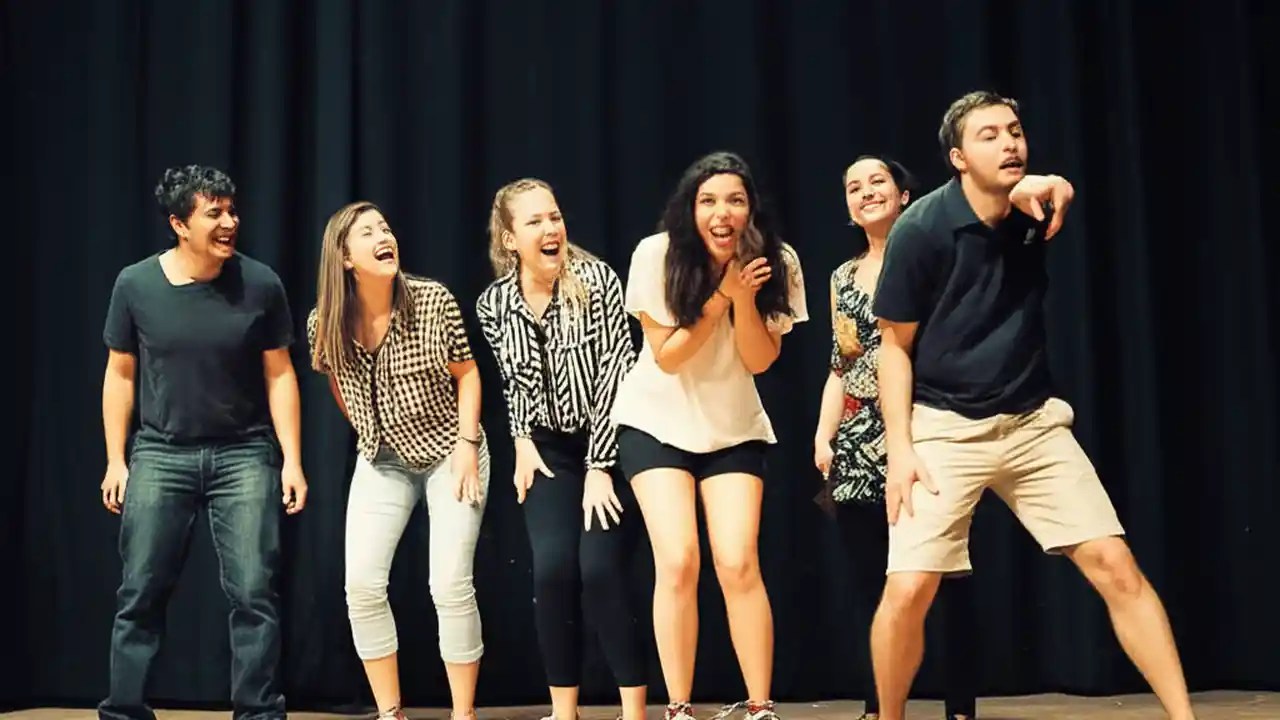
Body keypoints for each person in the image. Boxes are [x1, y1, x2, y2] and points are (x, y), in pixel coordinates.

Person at [869, 90, 1196, 720]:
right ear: (958, 158)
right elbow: (893, 346)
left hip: (1030, 421)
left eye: (1015, 130)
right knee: (908, 589)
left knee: (1114, 564)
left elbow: (1054, 185)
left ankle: (1184, 717)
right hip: (942, 427)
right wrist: (901, 449)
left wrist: (1052, 182)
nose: (1009, 143)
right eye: (989, 135)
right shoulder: (922, 230)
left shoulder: (1034, 207)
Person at [99, 165, 307, 720]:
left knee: (254, 593)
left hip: (244, 454)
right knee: (139, 591)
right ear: (178, 223)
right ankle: (124, 711)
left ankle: (258, 712)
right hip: (161, 453)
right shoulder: (136, 284)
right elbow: (120, 374)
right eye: (213, 213)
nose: (228, 222)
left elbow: (280, 373)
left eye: (231, 211)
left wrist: (292, 461)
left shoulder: (260, 283)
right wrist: (116, 460)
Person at [611, 151, 808, 720]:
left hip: (733, 427)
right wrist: (720, 294)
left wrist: (744, 298)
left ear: (751, 210)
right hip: (656, 422)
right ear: (690, 209)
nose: (723, 213)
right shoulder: (656, 254)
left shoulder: (778, 261)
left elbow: (759, 359)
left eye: (736, 200)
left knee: (738, 561)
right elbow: (669, 358)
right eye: (709, 201)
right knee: (677, 561)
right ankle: (677, 706)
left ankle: (760, 705)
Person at [306, 202, 490, 720]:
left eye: (385, 227)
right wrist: (369, 429)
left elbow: (468, 375)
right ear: (344, 257)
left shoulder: (432, 301)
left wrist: (467, 447)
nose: (384, 235)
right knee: (361, 585)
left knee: (449, 583)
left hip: (449, 450)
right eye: (368, 232)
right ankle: (391, 712)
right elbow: (337, 382)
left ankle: (463, 714)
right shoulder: (325, 321)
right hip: (382, 460)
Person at [476, 178, 649, 720]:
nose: (552, 229)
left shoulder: (596, 281)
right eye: (535, 222)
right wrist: (522, 441)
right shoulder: (494, 304)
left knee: (599, 570)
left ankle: (635, 710)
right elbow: (514, 380)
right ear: (509, 240)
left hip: (612, 439)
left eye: (554, 216)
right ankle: (564, 711)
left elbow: (613, 375)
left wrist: (601, 466)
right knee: (552, 569)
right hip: (547, 446)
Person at [813, 155, 977, 720]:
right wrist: (823, 432)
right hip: (857, 442)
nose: (865, 193)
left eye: (877, 182)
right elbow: (841, 362)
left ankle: (959, 706)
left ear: (905, 195)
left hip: (926, 427)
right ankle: (879, 706)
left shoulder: (933, 256)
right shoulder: (840, 277)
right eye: (853, 186)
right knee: (870, 583)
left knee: (943, 574)